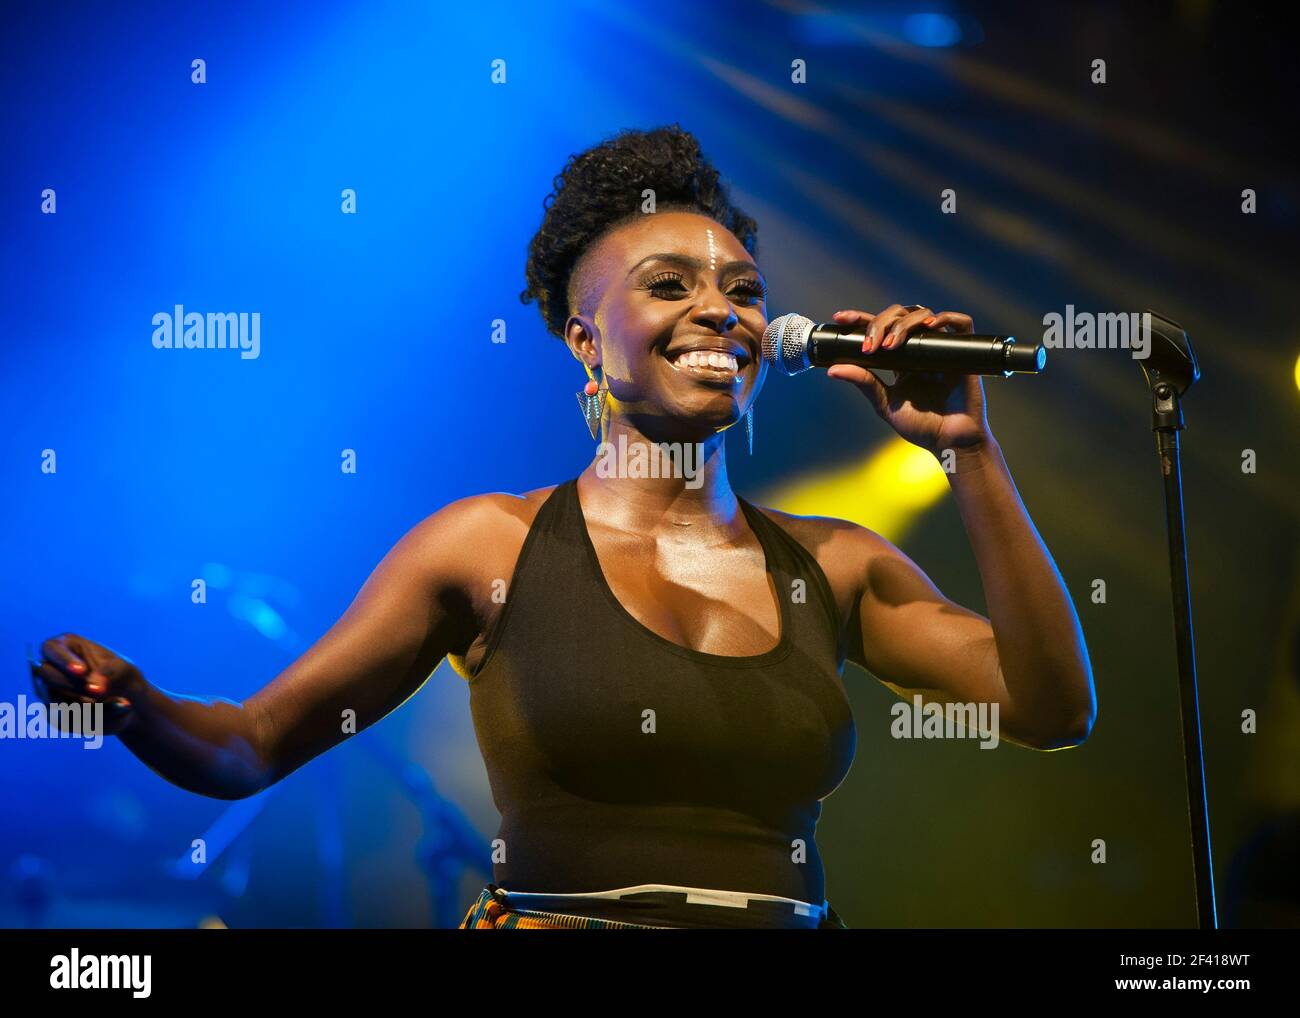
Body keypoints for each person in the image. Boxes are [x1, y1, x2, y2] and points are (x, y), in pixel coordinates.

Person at [31, 124, 1095, 930]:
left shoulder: (838, 563)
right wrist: (132, 707)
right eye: (669, 285)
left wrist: (969, 451)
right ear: (588, 345)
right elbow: (252, 747)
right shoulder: (483, 546)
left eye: (742, 289)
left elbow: (1049, 709)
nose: (721, 310)